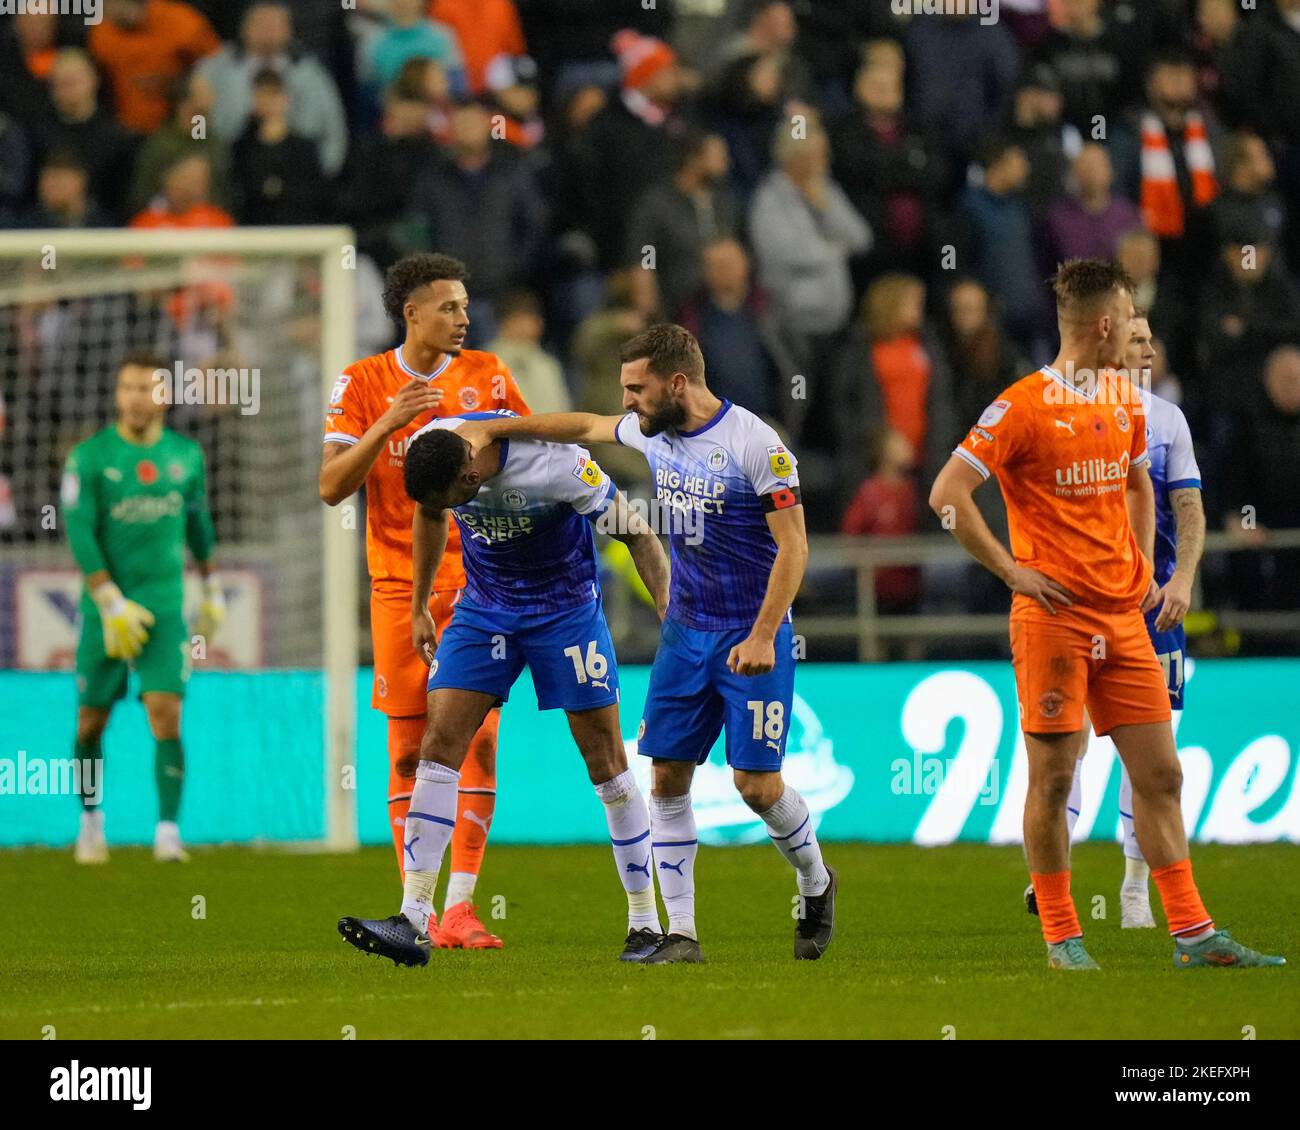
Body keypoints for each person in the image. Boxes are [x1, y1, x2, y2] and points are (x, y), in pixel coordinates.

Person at [929, 257, 1284, 970]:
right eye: (1129, 320)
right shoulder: (1022, 406)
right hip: (1053, 622)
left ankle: (1192, 934)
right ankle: (1062, 935)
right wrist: (1011, 570)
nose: (1138, 335)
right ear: (1104, 325)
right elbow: (948, 493)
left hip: (1126, 618)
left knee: (1162, 778)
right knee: (1055, 779)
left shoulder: (1125, 400)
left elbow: (1135, 481)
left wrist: (1146, 566)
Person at [455, 324, 837, 964]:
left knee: (756, 787)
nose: (626, 402)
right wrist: (499, 429)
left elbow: (795, 546)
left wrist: (766, 633)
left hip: (752, 635)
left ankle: (816, 881)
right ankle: (682, 936)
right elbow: (581, 428)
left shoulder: (756, 445)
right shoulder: (647, 430)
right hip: (686, 632)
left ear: (676, 383)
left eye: (636, 388)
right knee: (666, 780)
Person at [337, 411, 672, 966]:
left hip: (565, 613)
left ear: (471, 475)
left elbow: (636, 532)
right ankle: (413, 920)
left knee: (607, 762)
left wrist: (669, 610)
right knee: (438, 746)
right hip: (485, 610)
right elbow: (429, 514)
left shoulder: (556, 466)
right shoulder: (433, 447)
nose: (449, 508)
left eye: (454, 499)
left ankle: (645, 922)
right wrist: (420, 604)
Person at [318, 253, 530, 949]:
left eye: (466, 306)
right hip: (397, 587)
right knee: (410, 750)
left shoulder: (489, 376)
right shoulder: (363, 381)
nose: (463, 318)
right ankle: (418, 906)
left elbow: (528, 457)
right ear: (411, 313)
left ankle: (462, 906)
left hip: (480, 585)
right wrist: (387, 425)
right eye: (449, 307)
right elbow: (330, 487)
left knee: (480, 742)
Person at [1022, 312, 1207, 930]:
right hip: (1078, 608)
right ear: (1108, 343)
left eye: (1152, 337)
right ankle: (1053, 876)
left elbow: (1188, 507)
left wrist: (1180, 579)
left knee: (1155, 757)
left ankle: (1136, 889)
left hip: (1153, 611)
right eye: (1137, 339)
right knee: (1064, 744)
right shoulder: (1060, 408)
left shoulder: (1168, 421)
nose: (1150, 348)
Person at [62, 353, 224, 865]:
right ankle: (91, 822)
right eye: (127, 387)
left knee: (167, 714)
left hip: (165, 609)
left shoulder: (186, 456)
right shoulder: (88, 457)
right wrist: (108, 599)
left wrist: (211, 584)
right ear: (117, 394)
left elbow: (198, 523)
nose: (136, 397)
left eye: (146, 387)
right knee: (90, 721)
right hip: (103, 612)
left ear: (165, 395)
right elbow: (81, 531)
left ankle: (168, 833)